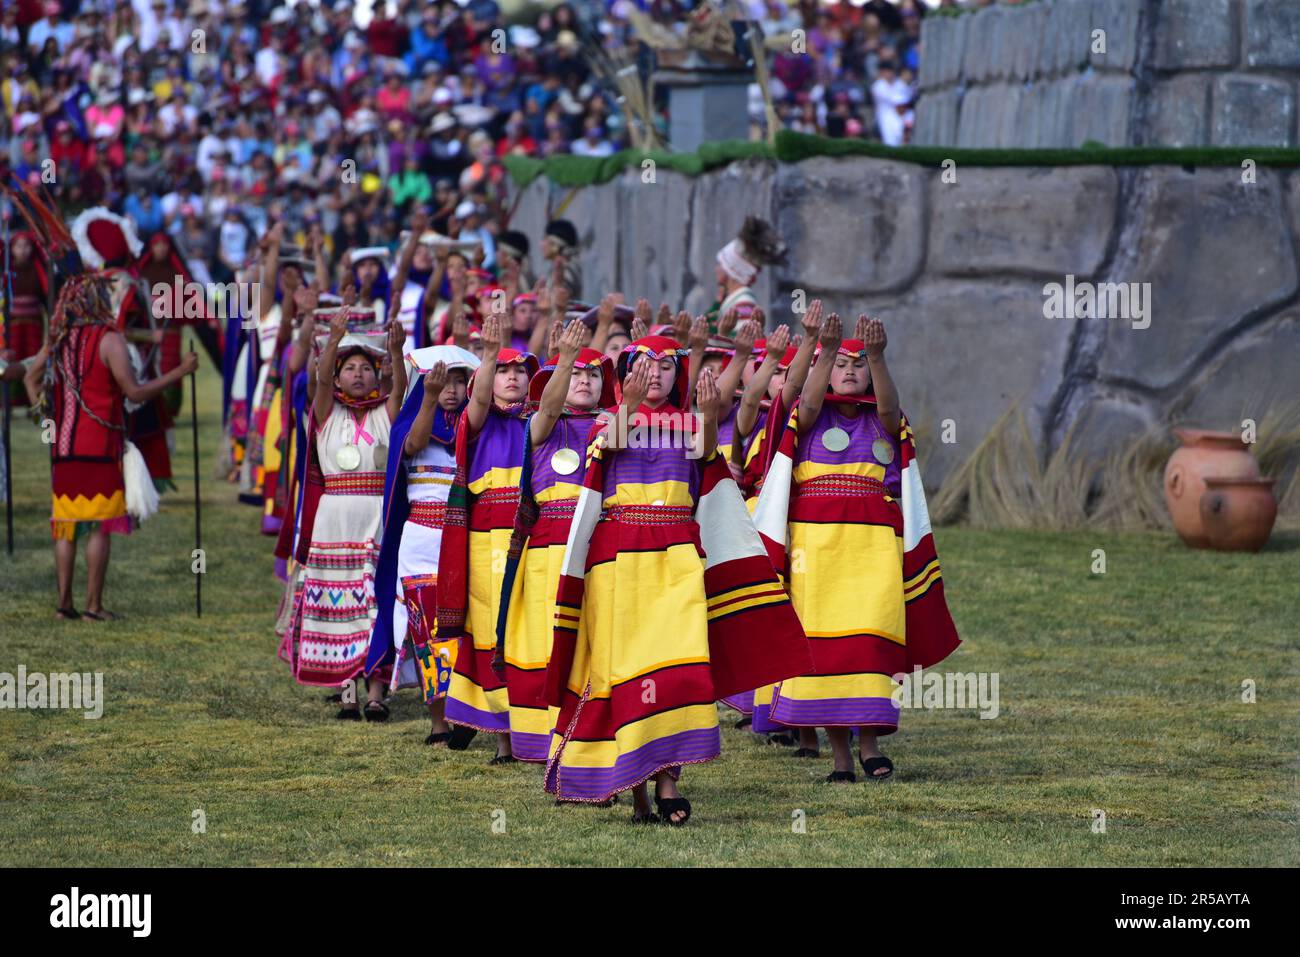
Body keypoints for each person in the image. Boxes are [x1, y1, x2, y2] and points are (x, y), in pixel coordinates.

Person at [542, 334, 812, 822]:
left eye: (668, 366)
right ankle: (639, 789)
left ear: (680, 376)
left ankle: (667, 786)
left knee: (679, 667)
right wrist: (626, 403)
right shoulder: (605, 422)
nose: (657, 373)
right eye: (646, 364)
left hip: (678, 558)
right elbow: (616, 441)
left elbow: (706, 454)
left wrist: (709, 416)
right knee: (629, 671)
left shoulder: (691, 425)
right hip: (618, 561)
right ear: (625, 373)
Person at [752, 312, 960, 781]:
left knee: (869, 644)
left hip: (873, 551)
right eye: (841, 363)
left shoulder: (883, 419)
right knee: (826, 651)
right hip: (817, 551)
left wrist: (880, 356)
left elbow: (890, 409)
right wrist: (822, 351)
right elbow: (804, 402)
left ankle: (870, 747)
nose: (850, 370)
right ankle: (840, 756)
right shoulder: (806, 417)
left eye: (859, 363)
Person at [25, 272, 197, 621]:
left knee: (67, 524)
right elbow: (134, 392)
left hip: (63, 448)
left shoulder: (58, 339)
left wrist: (48, 424)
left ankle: (64, 605)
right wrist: (178, 373)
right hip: (100, 446)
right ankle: (93, 607)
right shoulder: (109, 339)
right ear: (98, 301)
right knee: (101, 525)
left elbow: (30, 378)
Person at [496, 321, 615, 763]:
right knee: (550, 642)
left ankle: (592, 735)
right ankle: (547, 739)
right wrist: (564, 358)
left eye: (593, 375)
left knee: (596, 642)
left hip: (600, 550)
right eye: (575, 375)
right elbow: (547, 406)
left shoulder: (618, 425)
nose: (584, 382)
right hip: (549, 552)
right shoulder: (540, 423)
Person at [288, 306, 406, 720]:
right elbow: (317, 380)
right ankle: (347, 692)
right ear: (336, 378)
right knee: (339, 609)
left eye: (366, 368)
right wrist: (333, 341)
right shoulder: (326, 413)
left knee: (375, 601)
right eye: (349, 369)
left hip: (376, 517)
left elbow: (400, 392)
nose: (358, 374)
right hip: (334, 519)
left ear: (378, 376)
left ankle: (376, 693)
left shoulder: (385, 414)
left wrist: (397, 351)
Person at [367, 343, 480, 744]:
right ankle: (439, 721)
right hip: (420, 539)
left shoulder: (476, 426)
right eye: (442, 381)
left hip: (462, 540)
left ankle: (468, 712)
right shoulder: (414, 421)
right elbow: (412, 444)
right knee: (428, 629)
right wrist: (428, 397)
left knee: (466, 627)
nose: (450, 389)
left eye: (458, 381)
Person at [437, 313, 538, 762]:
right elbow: (478, 401)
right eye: (503, 370)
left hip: (532, 535)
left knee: (529, 629)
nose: (512, 377)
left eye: (520, 370)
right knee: (491, 630)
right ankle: (503, 739)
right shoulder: (473, 420)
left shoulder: (541, 421)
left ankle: (537, 730)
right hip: (485, 539)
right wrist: (489, 354)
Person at [710, 216, 787, 328]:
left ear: (731, 270)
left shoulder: (743, 305)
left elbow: (737, 343)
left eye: (720, 264)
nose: (716, 269)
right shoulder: (733, 301)